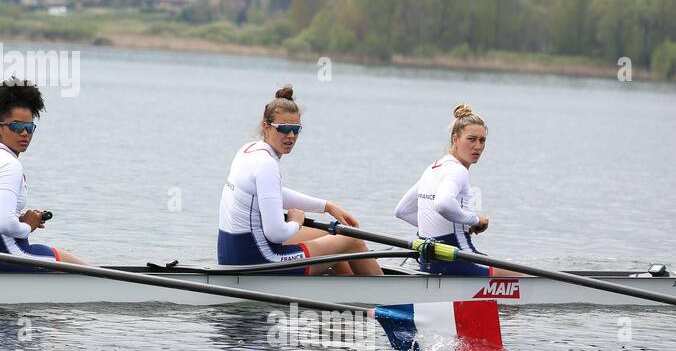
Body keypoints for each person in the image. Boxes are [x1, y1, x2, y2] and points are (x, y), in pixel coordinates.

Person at [218, 85, 382, 275]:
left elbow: (274, 194)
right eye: (284, 129)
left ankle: (345, 288)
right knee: (350, 238)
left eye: (296, 129)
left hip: (231, 255)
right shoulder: (267, 165)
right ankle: (386, 298)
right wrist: (296, 222)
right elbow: (275, 233)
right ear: (266, 127)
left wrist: (327, 206)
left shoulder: (247, 151)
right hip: (261, 261)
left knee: (331, 236)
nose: (291, 136)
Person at [0, 79, 84, 270]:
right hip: (4, 256)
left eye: (30, 127)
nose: (25, 133)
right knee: (86, 269)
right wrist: (29, 226)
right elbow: (3, 225)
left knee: (52, 253)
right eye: (17, 127)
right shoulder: (9, 165)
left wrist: (20, 220)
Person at [394, 104, 515, 277]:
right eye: (471, 139)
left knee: (496, 264)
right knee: (520, 275)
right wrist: (474, 220)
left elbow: (402, 211)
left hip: (430, 261)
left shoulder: (433, 169)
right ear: (455, 139)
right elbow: (443, 204)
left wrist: (451, 227)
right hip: (457, 261)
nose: (478, 146)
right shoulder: (458, 171)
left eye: (482, 140)